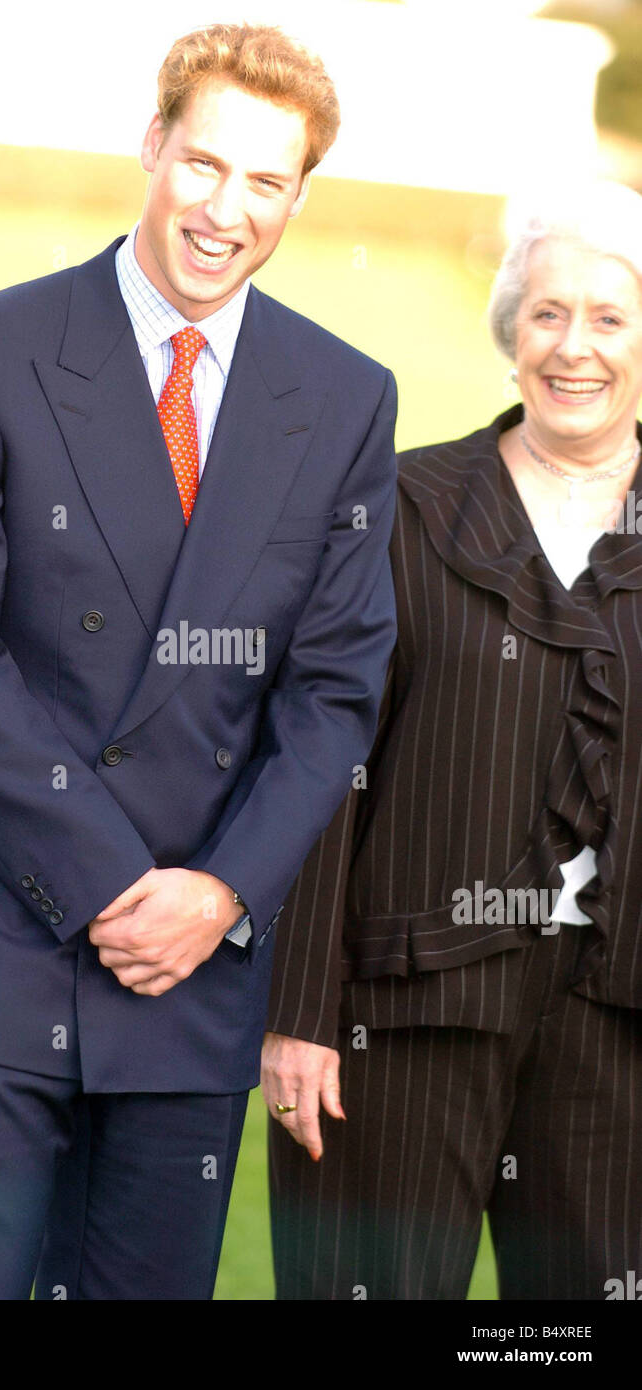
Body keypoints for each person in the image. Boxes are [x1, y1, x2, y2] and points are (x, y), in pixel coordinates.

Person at [0, 22, 398, 1300]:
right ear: (152, 145)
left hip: (198, 961)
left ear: (301, 195)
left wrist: (215, 895)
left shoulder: (345, 394)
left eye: (267, 182)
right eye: (205, 167)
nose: (227, 211)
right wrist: (111, 884)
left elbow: (334, 692)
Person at [264, 179, 642, 1301]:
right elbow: (320, 765)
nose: (575, 347)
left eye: (611, 318)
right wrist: (299, 1017)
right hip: (401, 1010)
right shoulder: (398, 509)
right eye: (547, 314)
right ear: (510, 334)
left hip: (619, 1029)